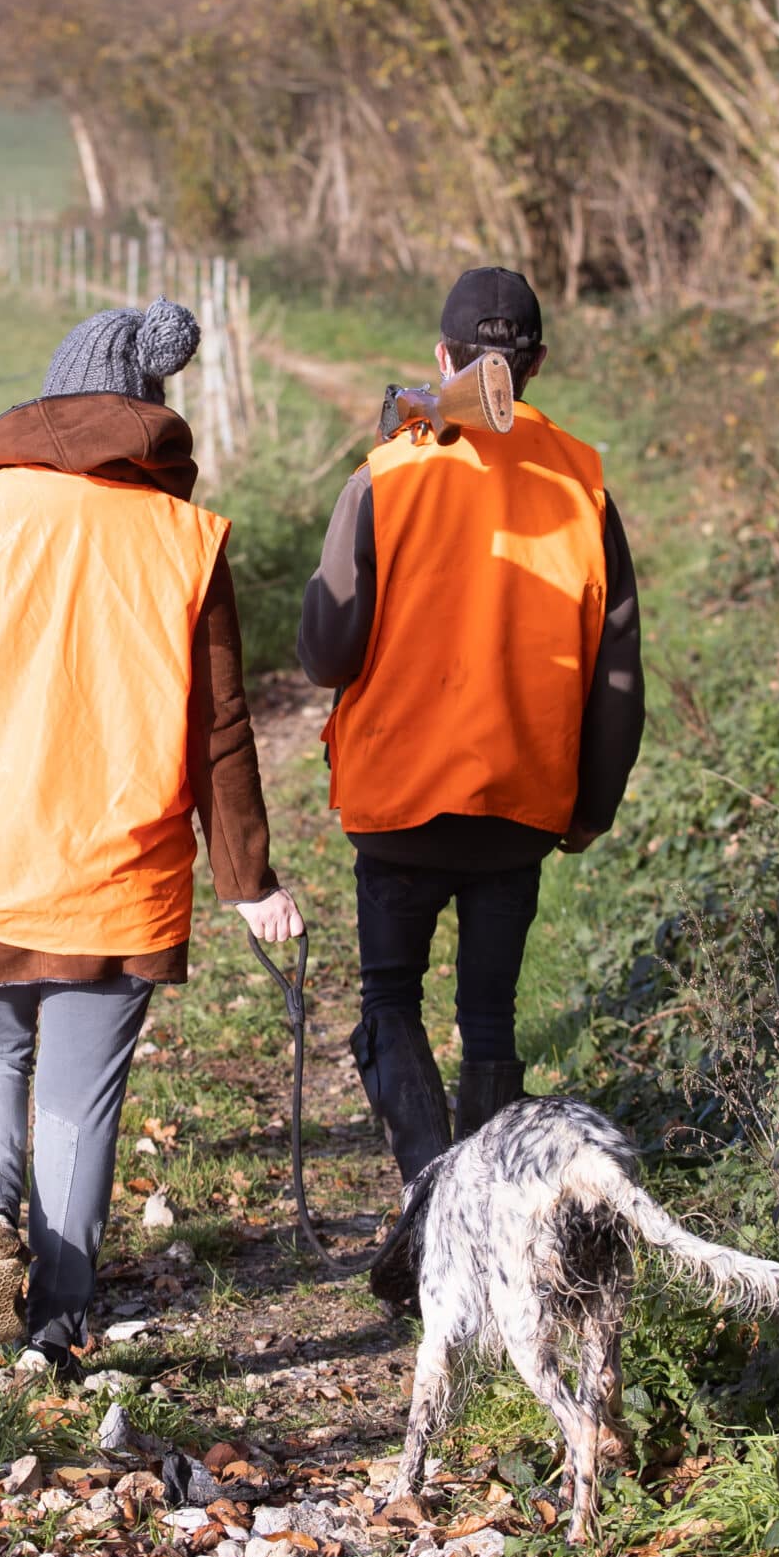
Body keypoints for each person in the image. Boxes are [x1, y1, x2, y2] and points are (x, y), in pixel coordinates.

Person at [0, 299, 301, 1374]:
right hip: (116, 872)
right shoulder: (186, 541)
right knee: (78, 1102)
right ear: (149, 417)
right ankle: (56, 1324)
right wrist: (248, 878)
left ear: (49, 403)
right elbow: (219, 726)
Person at [298, 267, 643, 1199]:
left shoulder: (386, 475)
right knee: (489, 1016)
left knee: (391, 999)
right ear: (538, 363)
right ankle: (487, 1211)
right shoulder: (585, 487)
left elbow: (325, 654)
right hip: (521, 801)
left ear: (441, 355)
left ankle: (431, 1195)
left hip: (399, 798)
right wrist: (591, 807)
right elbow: (618, 675)